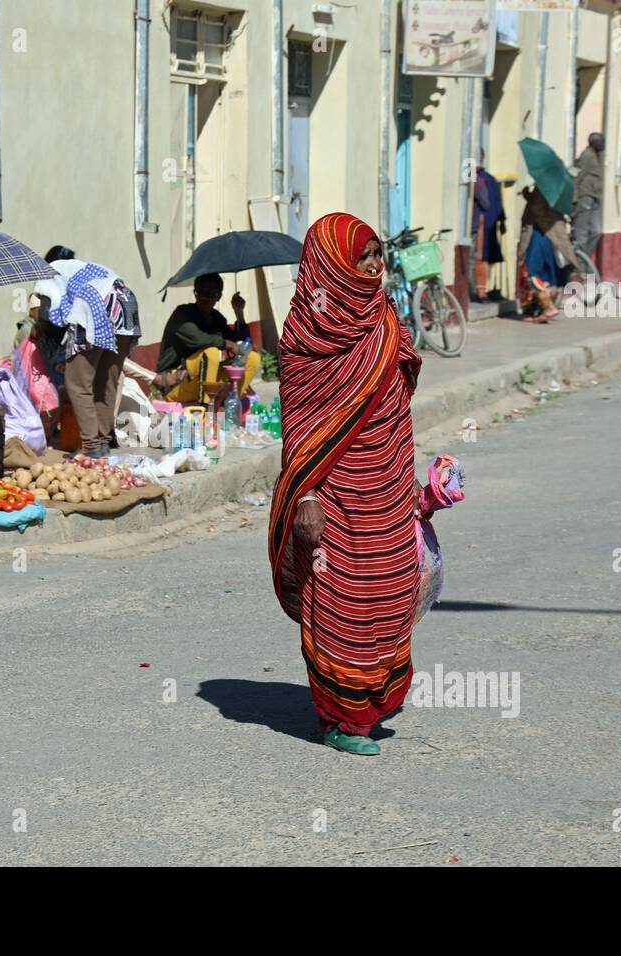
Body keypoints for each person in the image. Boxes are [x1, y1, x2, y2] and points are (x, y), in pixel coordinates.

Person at [268, 212, 424, 758]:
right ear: (333, 264)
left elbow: (400, 390)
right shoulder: (305, 333)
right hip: (332, 488)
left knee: (392, 592)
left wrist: (418, 489)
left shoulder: (384, 318)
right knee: (341, 600)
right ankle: (339, 717)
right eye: (363, 257)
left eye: (378, 254)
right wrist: (305, 496)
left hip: (388, 482)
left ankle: (371, 700)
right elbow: (300, 421)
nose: (375, 265)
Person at [41, 245, 136, 457]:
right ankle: (102, 441)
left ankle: (91, 446)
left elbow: (49, 317)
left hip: (95, 305)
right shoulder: (83, 269)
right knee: (106, 380)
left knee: (77, 383)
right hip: (125, 302)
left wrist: (47, 348)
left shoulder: (49, 272)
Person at [156, 273, 261, 407]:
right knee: (210, 352)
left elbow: (239, 345)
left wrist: (239, 313)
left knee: (252, 357)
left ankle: (229, 404)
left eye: (210, 293)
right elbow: (198, 339)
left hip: (203, 382)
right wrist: (228, 344)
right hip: (174, 383)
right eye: (201, 292)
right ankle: (207, 408)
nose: (204, 297)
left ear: (218, 297)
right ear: (195, 293)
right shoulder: (182, 314)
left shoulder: (217, 318)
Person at [14, 293, 62, 442]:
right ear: (33, 310)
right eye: (41, 310)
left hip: (40, 374)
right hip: (28, 376)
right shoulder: (28, 329)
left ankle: (45, 432)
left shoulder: (45, 327)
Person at [518, 183, 580, 287]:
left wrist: (528, 195)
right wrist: (528, 194)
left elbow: (537, 208)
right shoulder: (563, 186)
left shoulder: (545, 186)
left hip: (542, 230)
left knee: (535, 268)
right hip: (552, 229)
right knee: (552, 266)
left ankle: (542, 294)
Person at [471, 152, 506, 301]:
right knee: (484, 256)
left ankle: (481, 291)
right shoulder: (491, 179)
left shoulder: (479, 180)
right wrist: (502, 220)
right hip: (492, 223)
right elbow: (499, 204)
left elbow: (486, 203)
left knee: (481, 256)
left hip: (483, 223)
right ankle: (482, 290)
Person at [572, 132, 605, 261]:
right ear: (594, 143)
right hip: (585, 197)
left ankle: (586, 260)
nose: (603, 145)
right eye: (601, 142)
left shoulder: (599, 156)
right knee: (582, 235)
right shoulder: (587, 156)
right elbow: (577, 178)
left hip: (596, 198)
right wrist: (574, 200)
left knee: (597, 231)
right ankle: (580, 266)